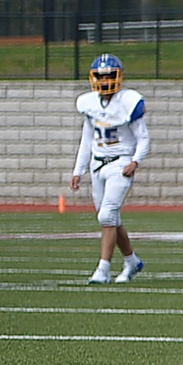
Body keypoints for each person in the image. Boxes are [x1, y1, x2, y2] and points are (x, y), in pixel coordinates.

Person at [72, 54, 150, 284]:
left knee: (107, 215)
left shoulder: (128, 100)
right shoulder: (90, 103)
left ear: (119, 76)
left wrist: (135, 161)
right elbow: (86, 140)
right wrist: (79, 170)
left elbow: (143, 138)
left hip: (120, 162)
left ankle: (103, 269)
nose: (105, 81)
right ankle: (132, 261)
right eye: (101, 76)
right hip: (97, 164)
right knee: (111, 217)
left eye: (109, 76)